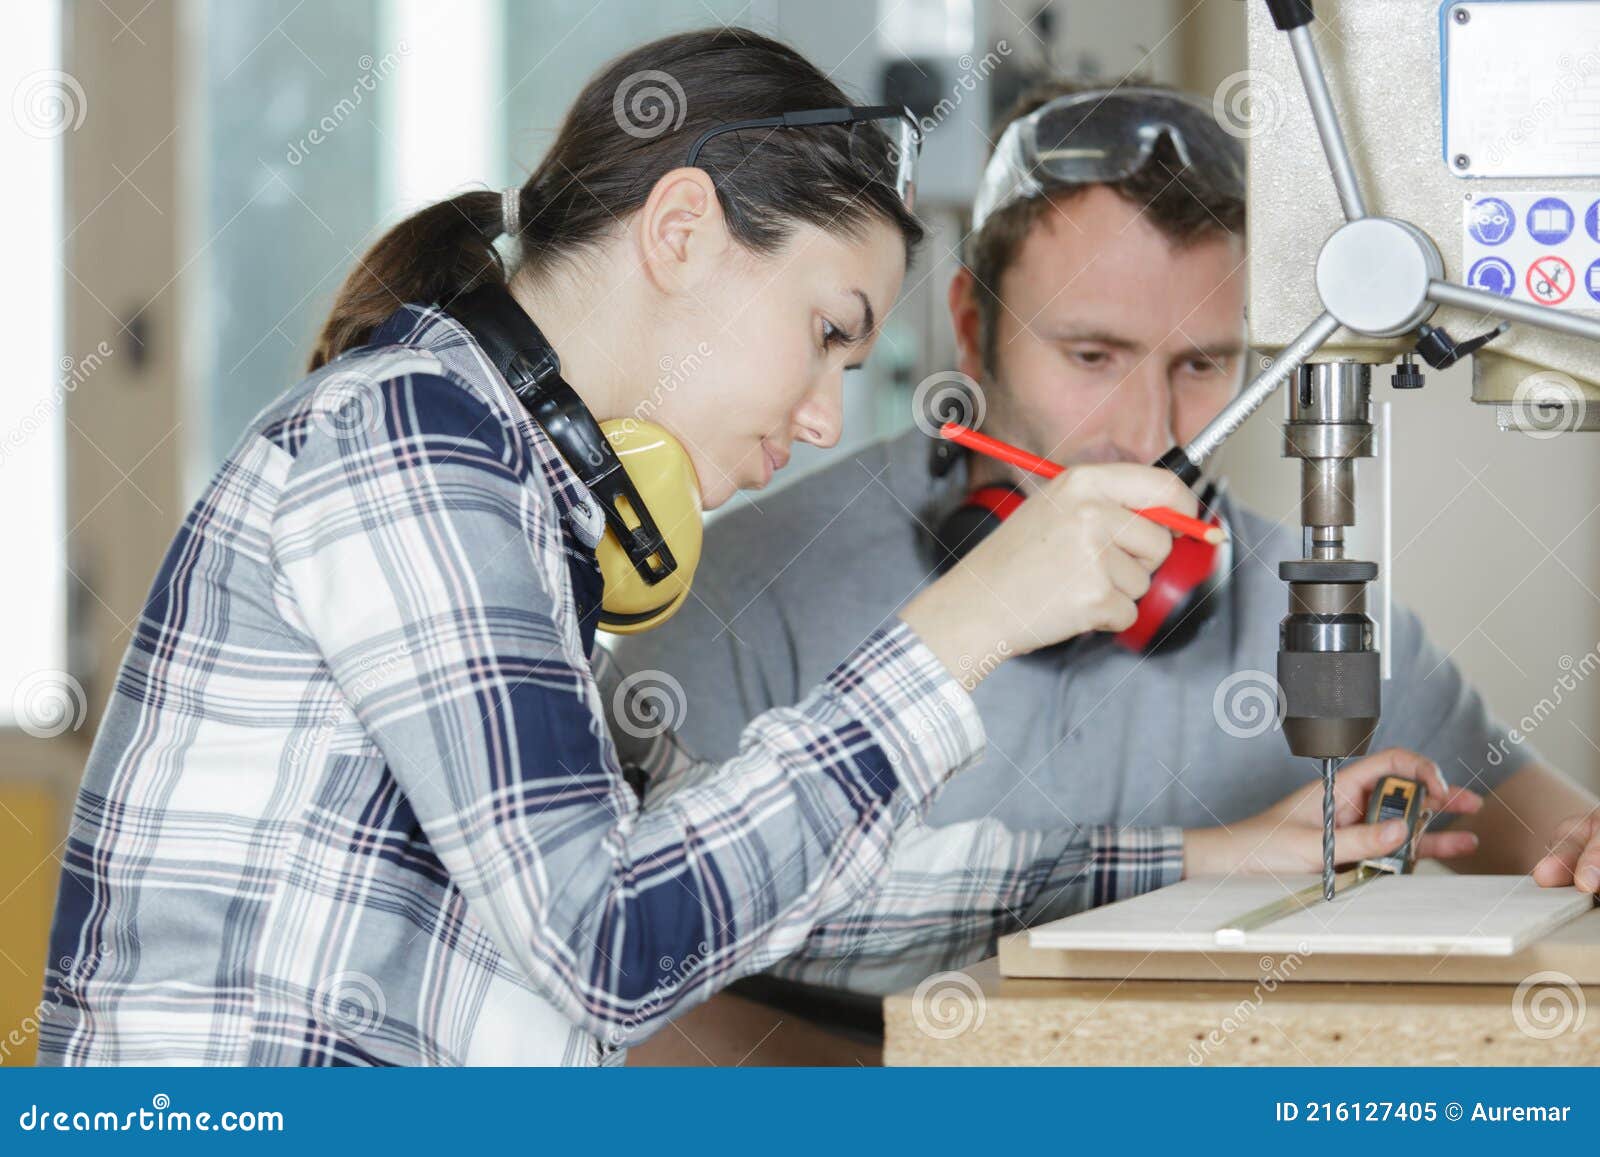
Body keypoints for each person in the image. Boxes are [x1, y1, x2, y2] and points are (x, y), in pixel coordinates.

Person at [35, 31, 1214, 1067]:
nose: (821, 418)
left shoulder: (521, 502)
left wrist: (1201, 858)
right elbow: (605, 938)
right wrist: (965, 624)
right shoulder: (408, 442)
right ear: (684, 229)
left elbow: (786, 888)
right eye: (824, 333)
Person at [614, 81, 1600, 1006]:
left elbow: (1538, 831)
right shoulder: (742, 586)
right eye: (1091, 356)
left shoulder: (1311, 601)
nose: (1146, 430)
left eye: (1202, 364)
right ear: (971, 329)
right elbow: (649, 993)